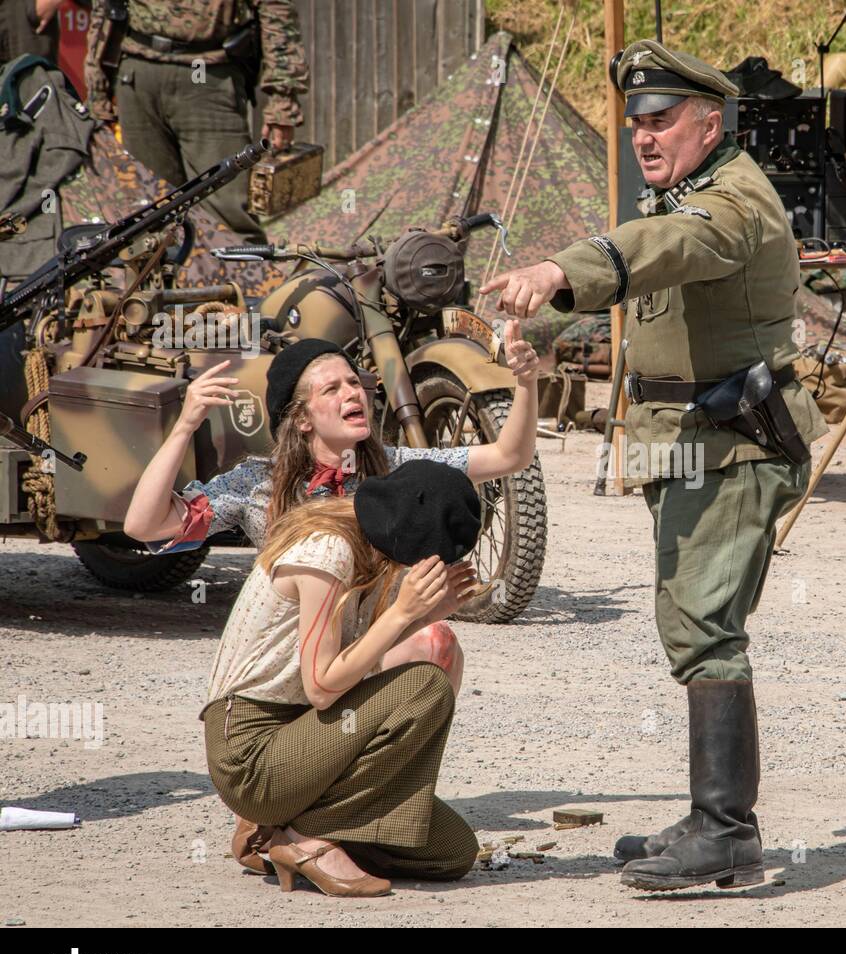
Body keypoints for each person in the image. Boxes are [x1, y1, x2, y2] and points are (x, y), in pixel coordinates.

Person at [482, 39, 828, 892]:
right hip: (684, 438)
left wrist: (560, 266)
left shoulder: (732, 202)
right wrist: (546, 319)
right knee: (689, 620)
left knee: (705, 625)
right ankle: (712, 819)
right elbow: (648, 283)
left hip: (733, 441)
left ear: (710, 123)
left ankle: (726, 832)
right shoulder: (684, 193)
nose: (642, 134)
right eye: (635, 120)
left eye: (661, 118)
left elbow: (663, 249)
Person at [124, 325, 539, 869]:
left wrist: (527, 384)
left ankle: (349, 805)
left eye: (356, 382)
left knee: (436, 644)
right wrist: (185, 425)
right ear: (300, 417)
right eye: (332, 389)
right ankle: (289, 812)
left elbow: (509, 455)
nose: (353, 394)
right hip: (290, 677)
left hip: (357, 656)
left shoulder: (393, 471)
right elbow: (143, 524)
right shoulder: (260, 483)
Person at [203, 460, 484, 896]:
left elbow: (356, 655)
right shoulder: (327, 551)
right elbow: (321, 686)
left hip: (301, 744)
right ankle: (299, 836)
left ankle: (274, 831)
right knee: (424, 686)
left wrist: (427, 614)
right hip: (252, 755)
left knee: (451, 851)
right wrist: (405, 613)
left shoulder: (364, 548)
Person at [83, 0, 309, 242]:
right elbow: (104, 7)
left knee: (228, 217)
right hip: (137, 71)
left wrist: (283, 100)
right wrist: (98, 87)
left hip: (207, 73)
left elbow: (274, 7)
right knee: (146, 217)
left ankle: (245, 278)